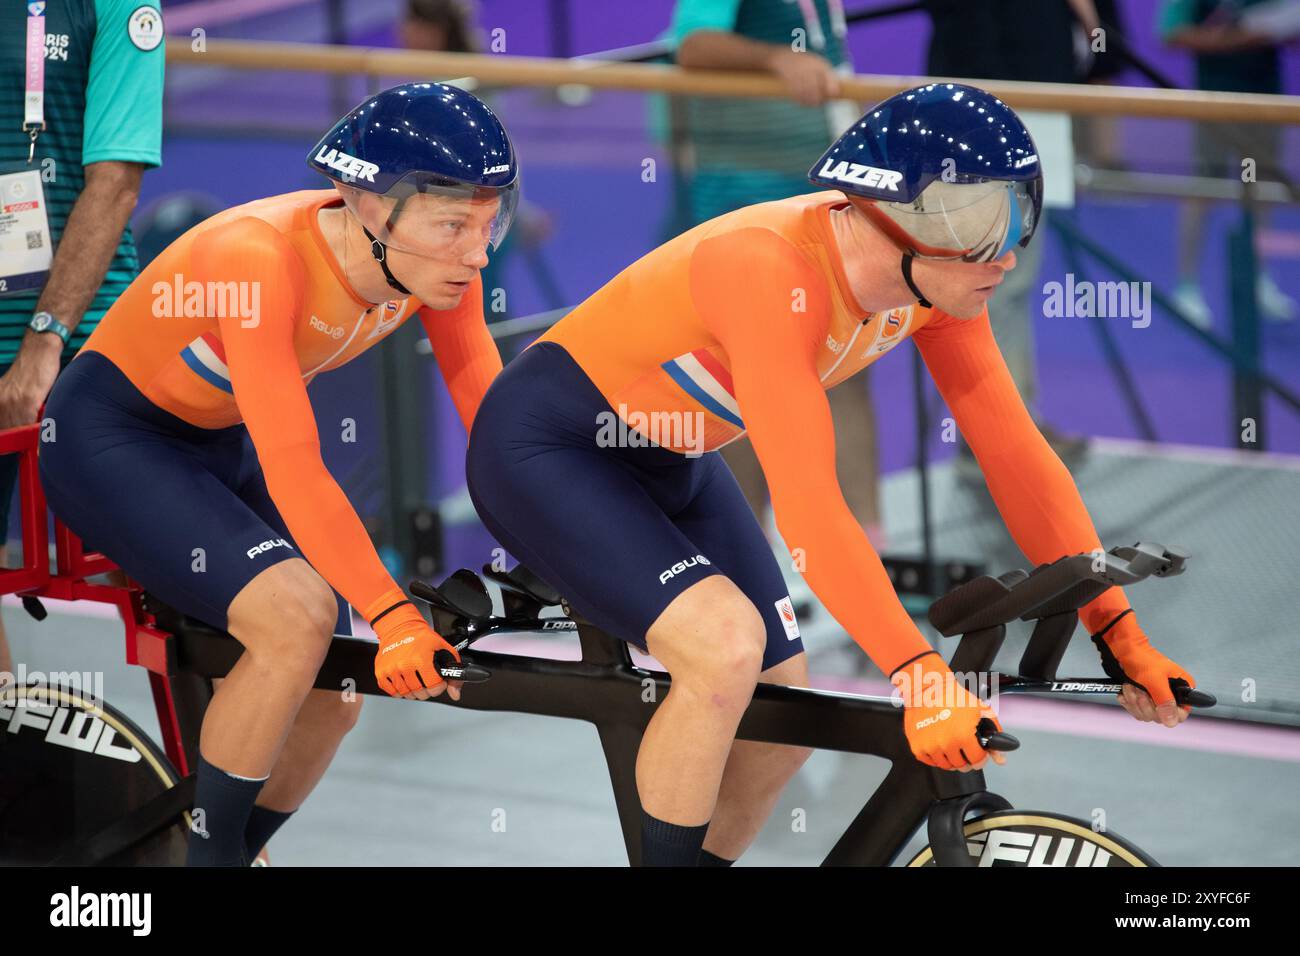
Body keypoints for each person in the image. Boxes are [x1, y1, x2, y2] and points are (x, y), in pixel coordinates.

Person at [466, 84, 1197, 867]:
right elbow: (811, 511)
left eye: (1018, 212)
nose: (1008, 249)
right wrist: (917, 675)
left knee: (782, 721)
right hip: (548, 450)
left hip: (671, 457)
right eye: (980, 221)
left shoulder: (941, 283)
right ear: (890, 215)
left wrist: (1120, 633)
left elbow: (1017, 457)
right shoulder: (768, 270)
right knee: (723, 652)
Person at [39, 82, 517, 866]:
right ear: (368, 207)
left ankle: (222, 854)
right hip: (111, 439)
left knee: (334, 699)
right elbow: (296, 464)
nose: (478, 251)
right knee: (297, 621)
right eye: (455, 224)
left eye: (489, 222)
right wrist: (393, 615)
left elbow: (497, 431)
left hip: (216, 443)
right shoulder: (256, 260)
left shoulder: (437, 267)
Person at [671, 0, 884, 548]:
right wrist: (774, 59)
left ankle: (868, 552)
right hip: (747, 206)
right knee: (737, 384)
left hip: (824, 197)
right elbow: (692, 46)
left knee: (847, 370)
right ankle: (747, 555)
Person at [0, 0, 163, 688]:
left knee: (166, 593)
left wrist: (45, 340)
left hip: (82, 337)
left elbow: (116, 182)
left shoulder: (121, 5)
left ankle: (212, 794)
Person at [1160, 0, 1297, 327]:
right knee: (1205, 187)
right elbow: (1170, 33)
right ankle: (1187, 285)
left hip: (1266, 100)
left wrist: (1273, 31)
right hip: (1215, 101)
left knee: (1262, 188)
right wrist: (1231, 40)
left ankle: (1258, 275)